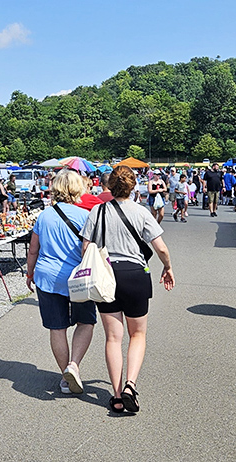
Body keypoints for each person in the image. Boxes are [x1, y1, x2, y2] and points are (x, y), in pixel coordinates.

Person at [80, 166, 175, 414]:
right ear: (134, 186)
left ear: (109, 185)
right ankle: (130, 385)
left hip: (107, 277)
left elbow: (85, 249)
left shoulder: (97, 212)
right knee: (138, 335)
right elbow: (161, 248)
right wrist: (168, 267)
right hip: (135, 276)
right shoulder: (141, 212)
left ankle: (116, 395)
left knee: (113, 337)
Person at [25, 169, 95, 395]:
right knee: (85, 321)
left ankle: (65, 377)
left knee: (57, 327)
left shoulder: (44, 216)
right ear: (78, 189)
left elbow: (33, 250)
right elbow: (90, 250)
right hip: (77, 278)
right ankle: (74, 365)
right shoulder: (85, 216)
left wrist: (29, 273)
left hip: (47, 276)